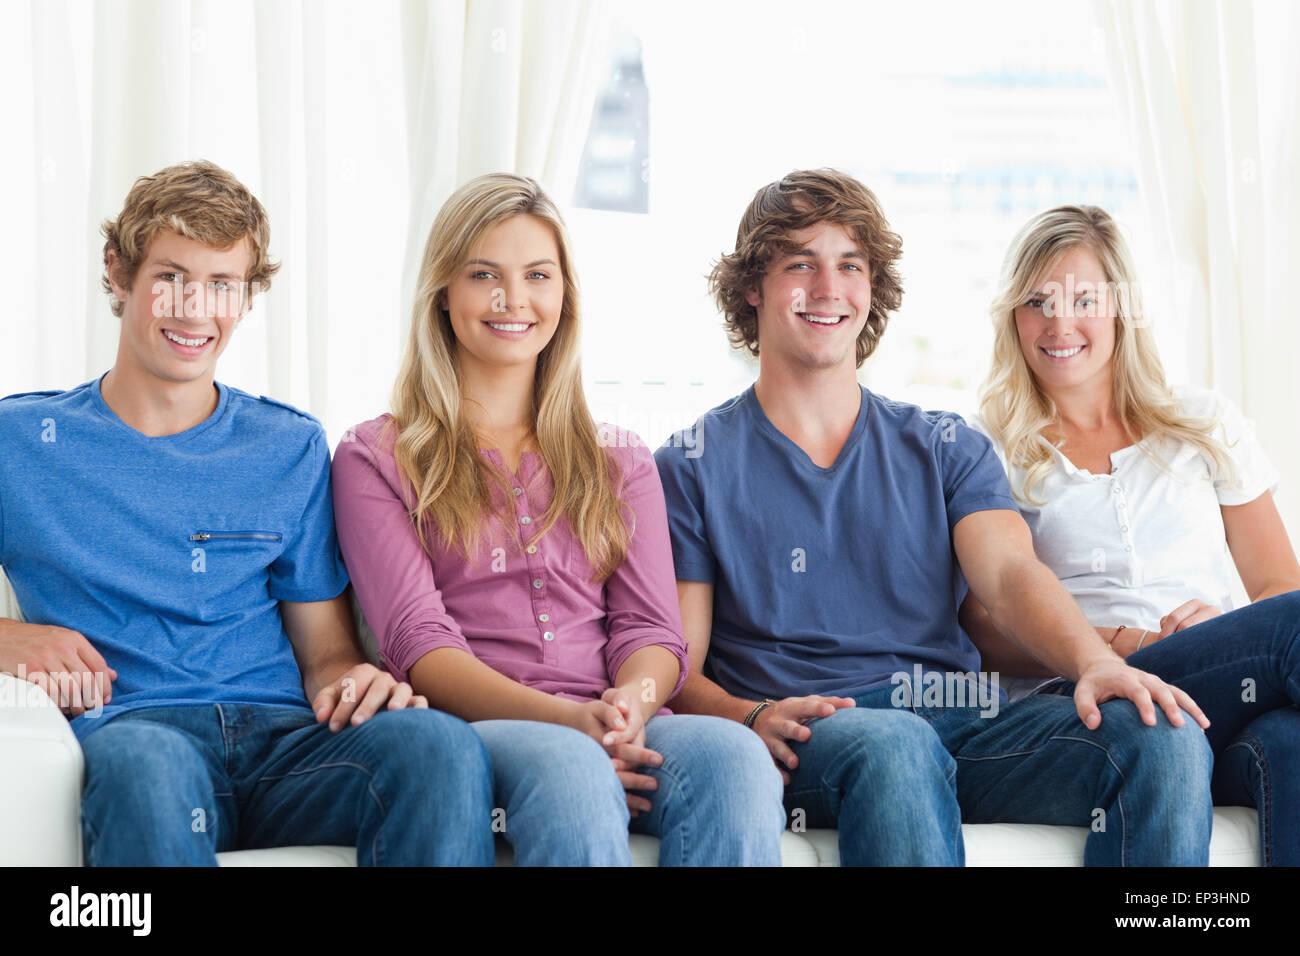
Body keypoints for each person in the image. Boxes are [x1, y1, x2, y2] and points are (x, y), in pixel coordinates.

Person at [655, 168, 1214, 866]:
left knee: (1161, 735)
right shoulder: (691, 464)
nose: (829, 288)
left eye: (850, 265)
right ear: (752, 288)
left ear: (872, 288)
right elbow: (678, 664)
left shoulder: (945, 444)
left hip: (964, 722)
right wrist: (751, 716)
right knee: (896, 742)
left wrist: (1096, 662)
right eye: (800, 264)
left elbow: (1008, 576)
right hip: (819, 731)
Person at [0, 160, 494, 866]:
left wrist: (353, 681)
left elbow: (324, 653)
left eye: (222, 284)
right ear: (118, 272)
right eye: (171, 277)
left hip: (286, 747)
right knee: (148, 766)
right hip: (141, 736)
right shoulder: (21, 441)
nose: (195, 309)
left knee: (439, 746)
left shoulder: (288, 445)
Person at [330, 172, 784, 867]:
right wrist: (572, 724)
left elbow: (653, 630)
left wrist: (625, 712)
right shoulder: (376, 456)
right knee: (573, 773)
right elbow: (418, 645)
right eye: (484, 274)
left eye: (538, 275)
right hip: (477, 728)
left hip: (613, 718)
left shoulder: (619, 458)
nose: (513, 299)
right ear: (443, 292)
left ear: (564, 295)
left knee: (735, 758)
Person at [965, 203, 1300, 865]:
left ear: (1121, 308)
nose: (1059, 324)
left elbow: (1276, 583)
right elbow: (982, 625)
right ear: (1012, 315)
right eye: (1037, 302)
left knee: (1290, 740)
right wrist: (1128, 642)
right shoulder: (987, 447)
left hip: (1215, 690)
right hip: (1085, 695)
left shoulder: (1202, 422)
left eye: (1083, 300)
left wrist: (1221, 632)